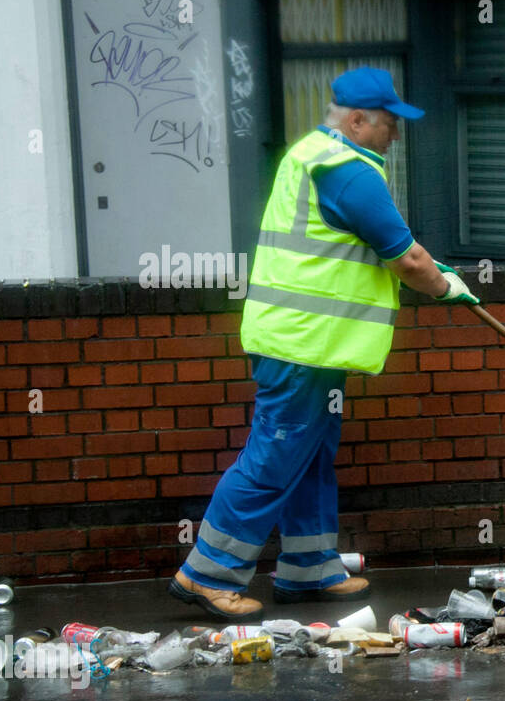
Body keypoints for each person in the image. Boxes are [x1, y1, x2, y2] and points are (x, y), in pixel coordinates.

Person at [170, 67, 479, 618]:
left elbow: (373, 244)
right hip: (301, 347)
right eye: (389, 124)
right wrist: (444, 286)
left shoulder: (313, 153)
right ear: (358, 120)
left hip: (305, 344)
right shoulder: (348, 172)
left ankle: (308, 569)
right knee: (273, 456)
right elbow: (406, 258)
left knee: (309, 455)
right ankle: (207, 574)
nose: (395, 135)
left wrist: (433, 268)